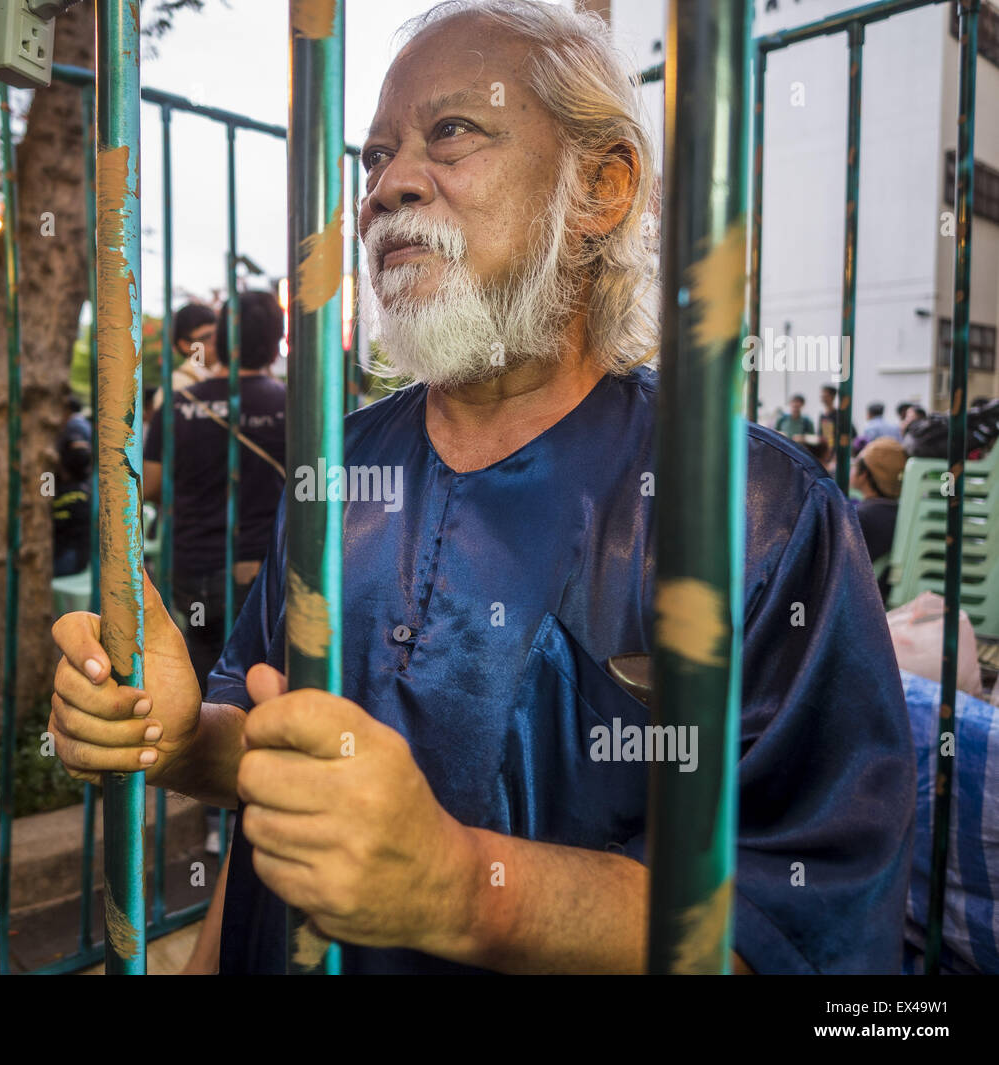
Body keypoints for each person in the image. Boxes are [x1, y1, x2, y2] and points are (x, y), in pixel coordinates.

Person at [50, 0, 913, 975]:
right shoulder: (335, 470)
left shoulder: (759, 513)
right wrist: (175, 742)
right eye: (374, 156)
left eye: (451, 132)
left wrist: (466, 890)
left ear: (602, 184)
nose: (386, 187)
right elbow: (269, 764)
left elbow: (807, 929)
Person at [143, 290, 287, 694]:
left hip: (188, 567)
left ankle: (201, 739)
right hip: (259, 572)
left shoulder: (177, 404)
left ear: (221, 340)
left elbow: (150, 487)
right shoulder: (291, 405)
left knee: (202, 667)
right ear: (277, 342)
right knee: (259, 679)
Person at [850, 437, 907, 603]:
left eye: (855, 464)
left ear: (865, 474)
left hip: (861, 602)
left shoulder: (861, 517)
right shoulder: (899, 512)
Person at [150, 302, 220, 412]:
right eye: (206, 337)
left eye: (218, 334)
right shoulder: (174, 386)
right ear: (185, 345)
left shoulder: (235, 372)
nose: (216, 342)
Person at [52, 436, 92, 578]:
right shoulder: (86, 488)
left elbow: (43, 497)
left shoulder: (56, 490)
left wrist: (46, 471)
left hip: (69, 559)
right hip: (79, 558)